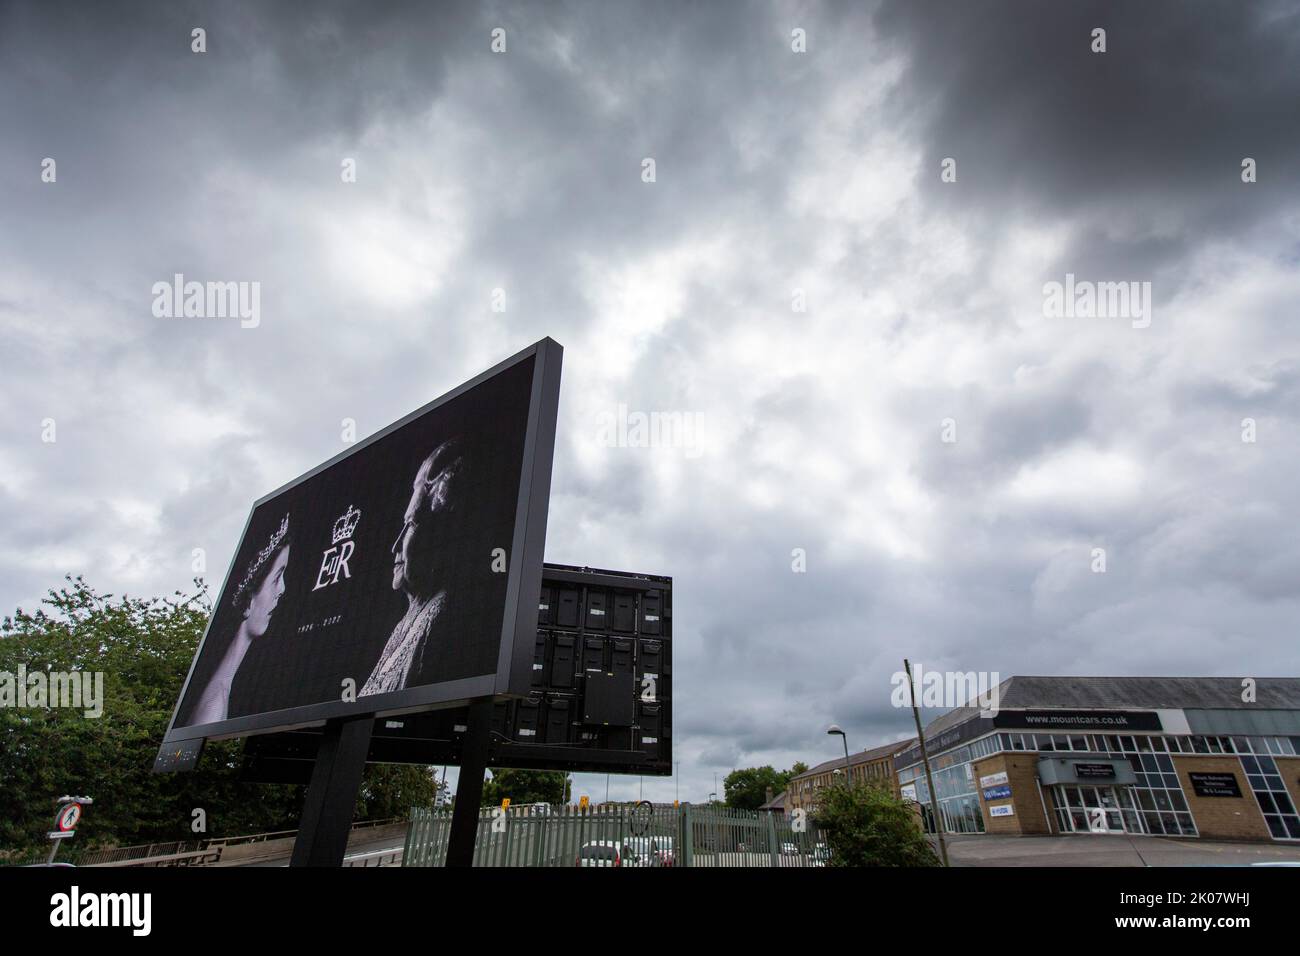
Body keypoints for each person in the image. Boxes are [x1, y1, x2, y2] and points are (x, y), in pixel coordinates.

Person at [361, 440, 465, 696]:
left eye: (412, 525)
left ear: (439, 538)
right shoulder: (408, 620)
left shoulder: (439, 616)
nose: (395, 545)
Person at [185, 514, 291, 726]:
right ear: (249, 600)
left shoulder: (221, 687)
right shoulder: (214, 709)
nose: (283, 589)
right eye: (277, 577)